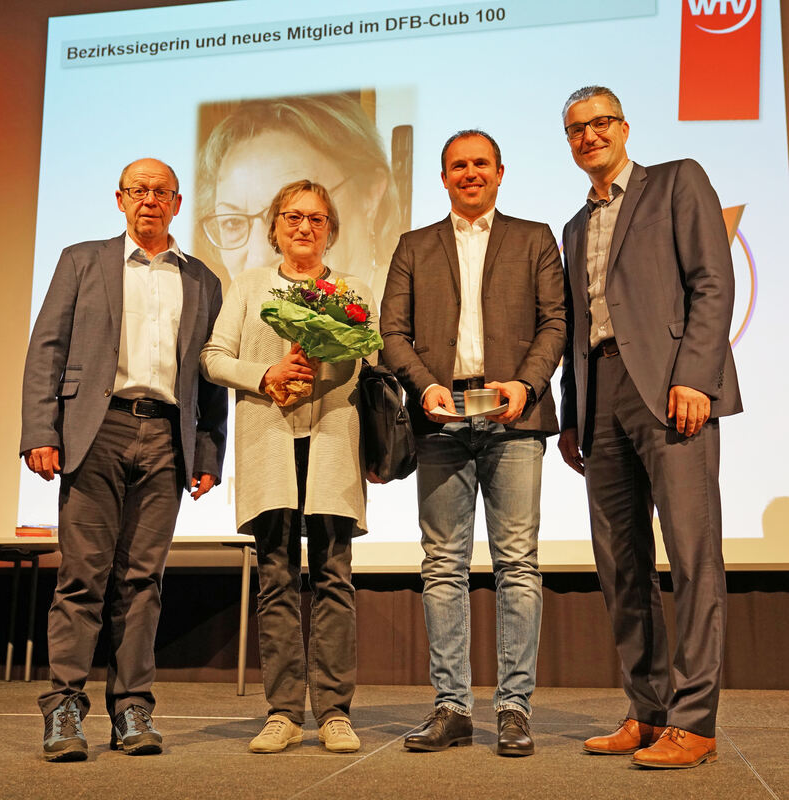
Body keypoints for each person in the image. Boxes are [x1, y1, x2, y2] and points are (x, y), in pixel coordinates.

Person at [558, 86, 743, 768]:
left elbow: (712, 280)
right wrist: (573, 410)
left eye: (600, 122)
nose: (589, 135)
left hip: (671, 390)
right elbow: (580, 326)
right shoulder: (575, 226)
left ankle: (694, 720)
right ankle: (647, 709)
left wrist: (695, 375)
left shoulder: (676, 181)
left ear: (625, 127)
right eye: (576, 129)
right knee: (621, 566)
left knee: (693, 558)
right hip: (601, 397)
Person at [20, 158, 228, 762]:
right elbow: (47, 350)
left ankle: (132, 705)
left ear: (177, 203)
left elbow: (209, 379)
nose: (150, 201)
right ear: (119, 199)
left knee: (144, 580)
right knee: (82, 576)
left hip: (166, 436)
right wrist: (42, 429)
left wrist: (208, 448)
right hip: (96, 431)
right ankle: (63, 708)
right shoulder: (82, 260)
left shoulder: (202, 280)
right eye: (139, 191)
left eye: (161, 193)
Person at [380, 130, 566, 757]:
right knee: (442, 566)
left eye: (480, 164)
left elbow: (555, 322)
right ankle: (452, 707)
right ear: (443, 178)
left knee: (517, 563)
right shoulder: (413, 246)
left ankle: (514, 709)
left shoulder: (535, 238)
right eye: (458, 166)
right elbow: (392, 332)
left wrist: (528, 381)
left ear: (500, 172)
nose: (470, 173)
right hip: (441, 415)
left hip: (513, 413)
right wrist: (425, 386)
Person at [200, 179, 375, 755]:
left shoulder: (353, 291)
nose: (304, 227)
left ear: (330, 229)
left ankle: (333, 711)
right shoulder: (249, 287)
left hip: (330, 441)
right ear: (274, 226)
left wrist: (334, 344)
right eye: (293, 218)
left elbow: (370, 359)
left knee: (333, 578)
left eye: (317, 219)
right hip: (270, 442)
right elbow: (212, 358)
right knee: (276, 578)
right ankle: (282, 712)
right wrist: (265, 375)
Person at [195, 92, 403, 299]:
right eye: (233, 223)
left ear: (370, 196)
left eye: (294, 214)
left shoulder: (411, 309)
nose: (258, 259)